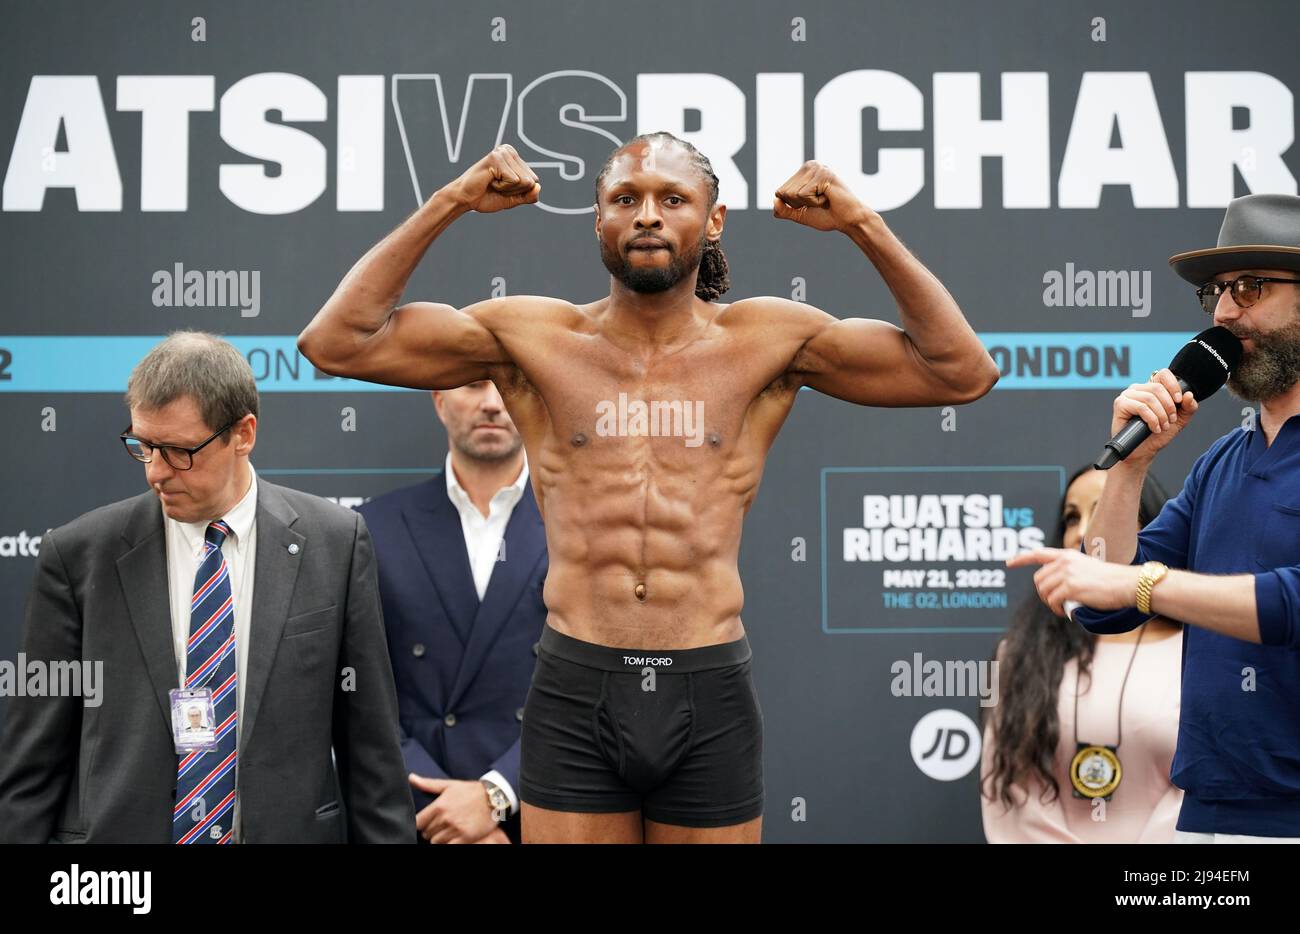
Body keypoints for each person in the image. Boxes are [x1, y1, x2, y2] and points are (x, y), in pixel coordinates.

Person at [298, 133, 999, 843]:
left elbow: (959, 372)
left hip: (708, 685)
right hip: (578, 683)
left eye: (673, 199)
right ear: (597, 220)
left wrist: (861, 224)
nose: (648, 216)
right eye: (625, 199)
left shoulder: (767, 341)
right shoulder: (534, 338)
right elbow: (337, 342)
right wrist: (450, 201)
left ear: (714, 219)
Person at [0, 332, 415, 843]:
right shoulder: (79, 555)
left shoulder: (335, 543)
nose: (155, 472)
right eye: (144, 446)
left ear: (243, 434)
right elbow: (32, 764)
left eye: (178, 452)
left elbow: (371, 750)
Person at [1008, 193, 1300, 842]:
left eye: (1251, 287)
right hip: (1206, 818)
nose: (1224, 312)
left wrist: (1145, 586)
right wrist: (1131, 469)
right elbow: (1104, 605)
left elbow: (1291, 603)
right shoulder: (1221, 463)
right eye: (1218, 292)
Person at [358, 379, 546, 845]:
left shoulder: (584, 523)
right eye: (473, 386)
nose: (491, 404)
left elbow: (601, 695)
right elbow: (355, 696)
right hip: (416, 819)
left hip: (541, 815)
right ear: (439, 401)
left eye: (509, 387)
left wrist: (497, 795)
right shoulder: (373, 527)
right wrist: (445, 814)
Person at [981, 464, 1183, 842]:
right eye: (1072, 517)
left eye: (1105, 507)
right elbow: (1010, 797)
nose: (1084, 531)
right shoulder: (1019, 655)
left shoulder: (1201, 652)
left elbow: (1205, 788)